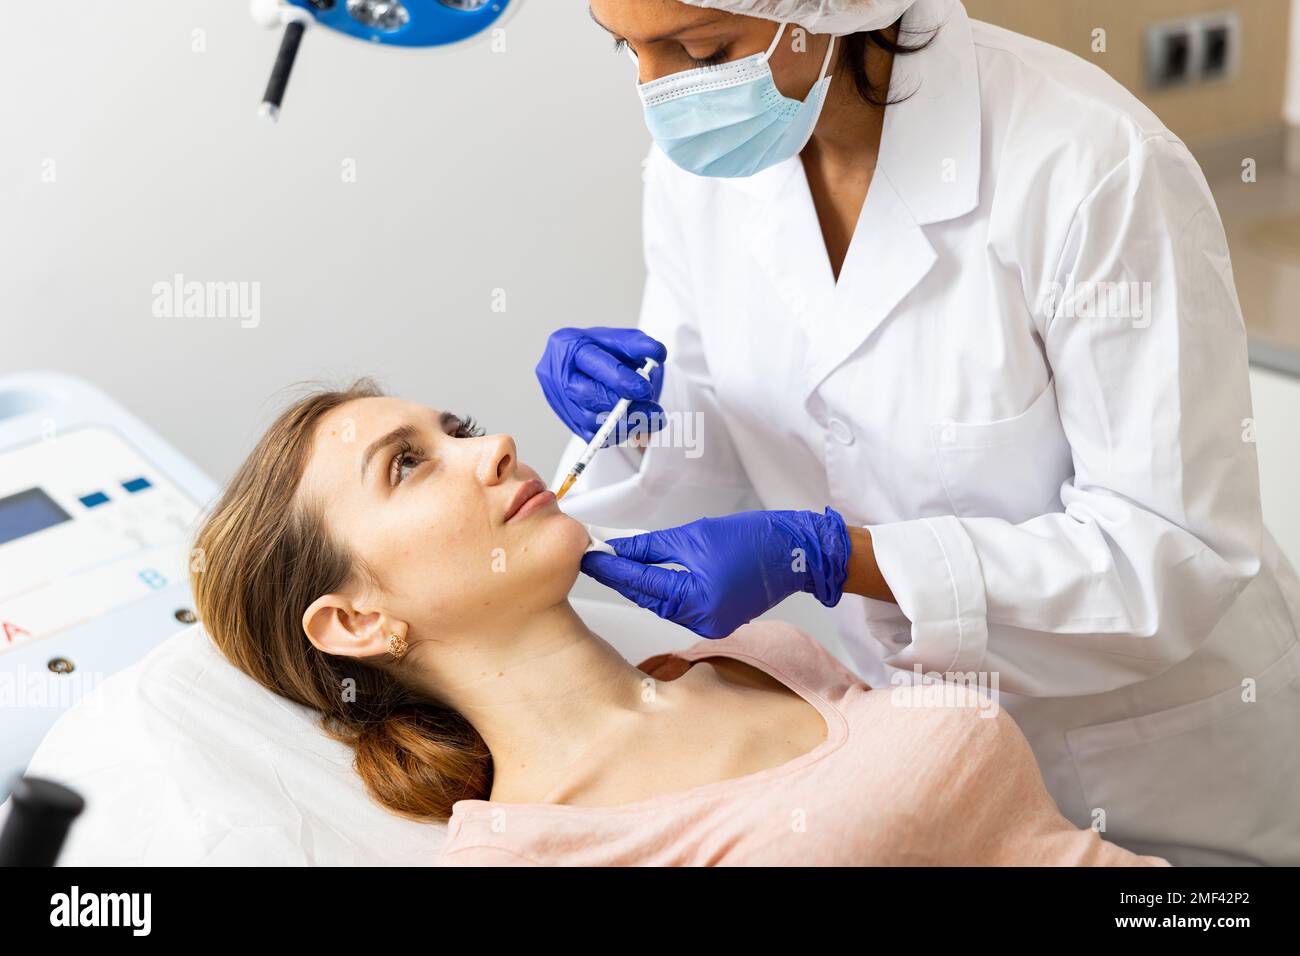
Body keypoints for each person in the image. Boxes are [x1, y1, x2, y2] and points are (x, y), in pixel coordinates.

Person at [536, 0, 1300, 865]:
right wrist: (644, 421)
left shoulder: (1089, 165)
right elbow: (730, 410)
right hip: (924, 762)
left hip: (1163, 768)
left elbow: (1171, 551)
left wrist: (835, 558)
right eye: (624, 49)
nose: (655, 90)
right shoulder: (703, 168)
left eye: (697, 46)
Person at [187, 380, 1168, 866]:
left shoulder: (749, 654)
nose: (494, 447)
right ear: (357, 620)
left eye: (455, 428)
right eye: (408, 464)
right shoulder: (531, 850)